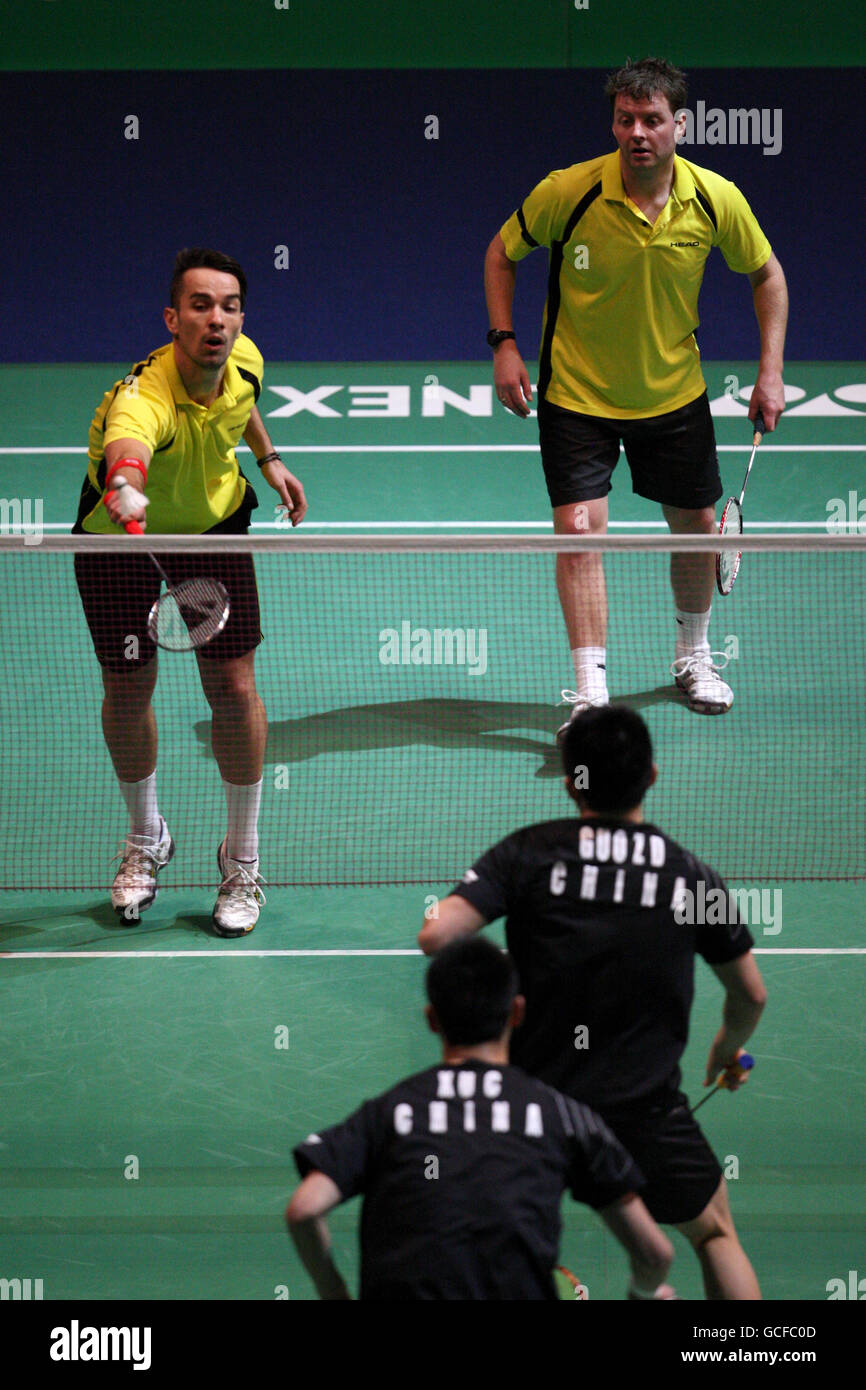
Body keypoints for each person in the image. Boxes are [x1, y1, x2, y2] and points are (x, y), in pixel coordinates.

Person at [419, 705, 767, 1300]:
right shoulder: (690, 878)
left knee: (484, 1238)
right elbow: (751, 994)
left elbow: (437, 934)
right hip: (642, 1106)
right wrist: (725, 1048)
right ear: (652, 775)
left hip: (531, 1104)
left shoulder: (529, 853)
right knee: (713, 1232)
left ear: (568, 781)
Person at [483, 57, 788, 727]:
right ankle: (591, 691)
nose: (638, 133)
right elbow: (502, 253)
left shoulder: (714, 198)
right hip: (577, 395)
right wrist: (503, 342)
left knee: (697, 528)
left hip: (673, 394)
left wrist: (770, 371)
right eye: (626, 119)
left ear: (679, 123)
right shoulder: (570, 191)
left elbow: (767, 275)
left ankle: (692, 656)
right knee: (578, 531)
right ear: (614, 123)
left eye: (652, 120)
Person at [73, 247, 307, 936]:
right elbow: (128, 447)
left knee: (233, 690)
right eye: (201, 306)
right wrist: (125, 485)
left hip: (212, 529)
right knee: (127, 689)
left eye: (230, 307)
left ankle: (242, 860)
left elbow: (243, 402)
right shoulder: (143, 400)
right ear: (172, 318)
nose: (218, 320)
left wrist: (267, 457)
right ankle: (147, 839)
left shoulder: (244, 360)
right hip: (122, 538)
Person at [286, 935, 676, 1301]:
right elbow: (655, 1255)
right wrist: (641, 1296)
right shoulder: (562, 1114)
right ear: (518, 1012)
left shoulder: (391, 1111)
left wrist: (334, 1294)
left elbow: (303, 1210)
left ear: (432, 1019)